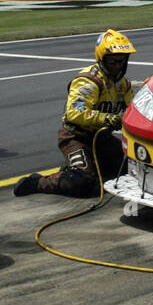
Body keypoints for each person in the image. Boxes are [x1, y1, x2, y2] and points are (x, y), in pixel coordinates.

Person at [14, 30, 137, 198]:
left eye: (121, 61)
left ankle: (83, 166)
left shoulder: (124, 85)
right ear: (102, 59)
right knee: (83, 182)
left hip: (101, 138)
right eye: (113, 61)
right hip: (76, 137)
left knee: (132, 169)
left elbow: (133, 110)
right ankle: (37, 182)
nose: (117, 66)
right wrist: (107, 118)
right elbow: (74, 113)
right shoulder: (89, 81)